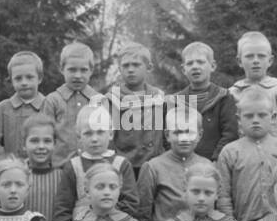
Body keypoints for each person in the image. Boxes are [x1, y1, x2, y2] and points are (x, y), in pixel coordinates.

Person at [216, 86, 277, 221]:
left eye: (261, 115)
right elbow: (223, 195)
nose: (255, 120)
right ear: (239, 119)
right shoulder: (230, 152)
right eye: (249, 116)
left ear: (272, 117)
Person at [51, 103, 139, 221]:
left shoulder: (121, 164)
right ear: (79, 137)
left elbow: (131, 203)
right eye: (88, 133)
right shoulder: (73, 166)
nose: (94, 139)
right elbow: (62, 207)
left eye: (100, 132)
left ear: (110, 134)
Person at [135, 105, 202, 221]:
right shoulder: (153, 167)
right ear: (167, 135)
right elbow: (143, 213)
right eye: (177, 132)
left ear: (200, 135)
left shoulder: (207, 166)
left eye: (189, 132)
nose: (184, 138)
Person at [229, 31, 277, 149]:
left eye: (261, 56)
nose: (256, 60)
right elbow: (229, 131)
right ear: (239, 61)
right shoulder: (233, 93)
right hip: (244, 157)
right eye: (249, 56)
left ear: (270, 60)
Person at [105, 42, 166, 175]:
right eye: (125, 65)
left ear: (148, 67)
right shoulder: (112, 99)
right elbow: (108, 137)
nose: (130, 69)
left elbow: (165, 134)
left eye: (136, 64)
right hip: (124, 166)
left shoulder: (159, 98)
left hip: (154, 165)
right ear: (120, 69)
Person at [171, 41, 238, 162]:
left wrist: (216, 160)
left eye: (200, 62)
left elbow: (230, 134)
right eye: (190, 63)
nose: (195, 66)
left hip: (215, 164)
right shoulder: (175, 101)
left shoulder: (224, 98)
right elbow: (168, 137)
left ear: (212, 66)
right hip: (182, 163)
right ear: (183, 69)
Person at [44, 40, 103, 166]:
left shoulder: (99, 101)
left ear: (91, 71)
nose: (77, 75)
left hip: (92, 166)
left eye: (83, 70)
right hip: (61, 167)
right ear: (62, 69)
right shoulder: (53, 100)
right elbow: (46, 135)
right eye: (72, 70)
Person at [0, 51, 50, 163]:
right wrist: (10, 167)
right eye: (18, 78)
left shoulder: (50, 106)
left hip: (43, 171)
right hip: (10, 172)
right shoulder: (1, 109)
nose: (24, 83)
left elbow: (56, 143)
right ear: (11, 80)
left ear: (40, 78)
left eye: (29, 77)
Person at [20, 113, 63, 221]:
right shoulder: (16, 176)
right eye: (34, 141)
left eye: (47, 141)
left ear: (55, 144)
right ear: (24, 144)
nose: (41, 146)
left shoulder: (62, 177)